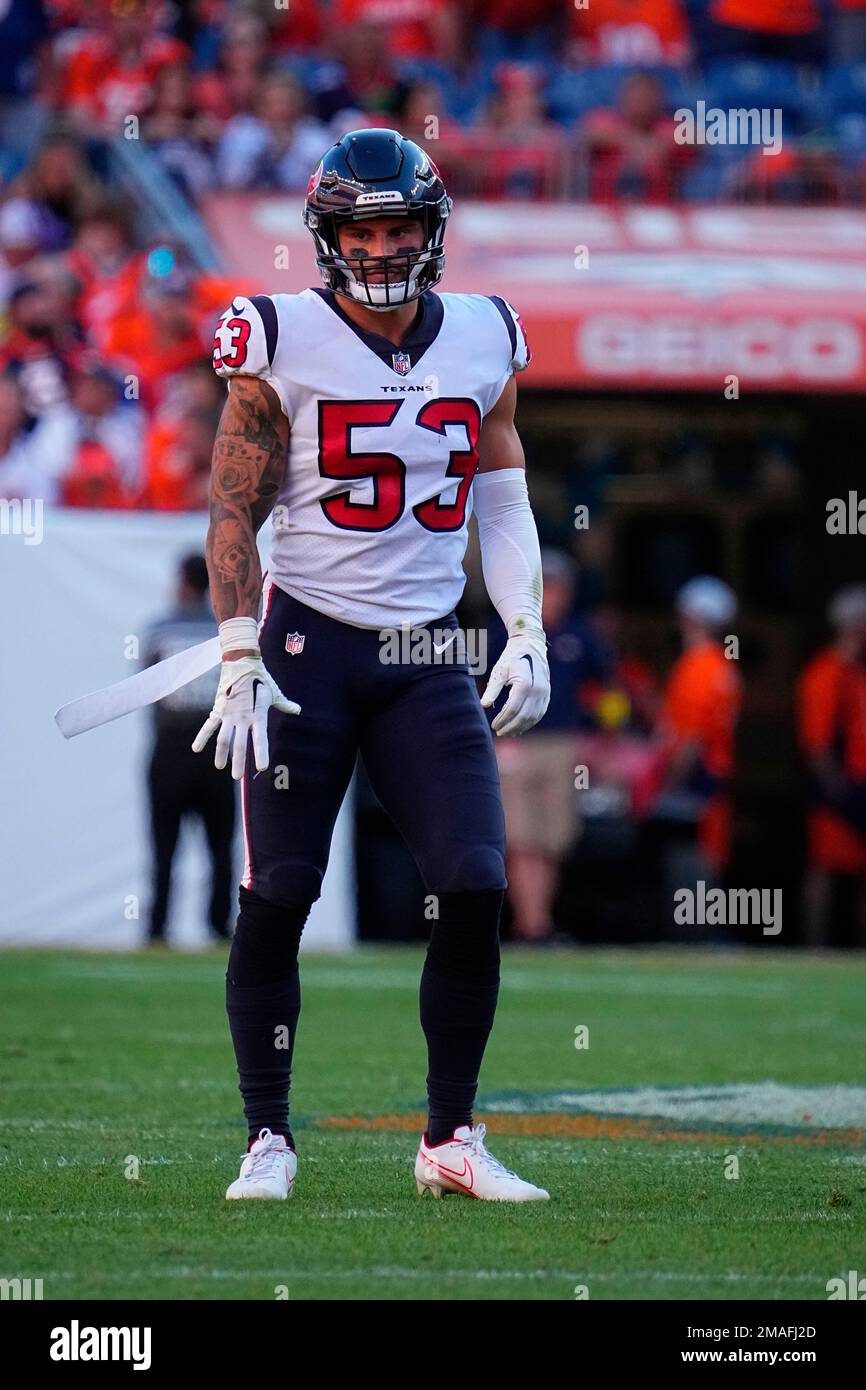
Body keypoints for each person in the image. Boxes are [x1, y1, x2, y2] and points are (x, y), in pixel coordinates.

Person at [196, 128, 551, 1203]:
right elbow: (232, 502)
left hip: (428, 647)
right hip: (307, 642)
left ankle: (449, 1137)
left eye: (400, 225)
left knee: (474, 881)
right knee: (280, 890)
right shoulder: (281, 336)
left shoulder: (487, 335)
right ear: (327, 237)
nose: (384, 245)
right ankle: (267, 1134)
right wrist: (234, 643)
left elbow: (500, 492)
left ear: (432, 229)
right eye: (364, 228)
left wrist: (524, 625)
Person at [141, 554, 234, 947]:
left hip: (171, 750)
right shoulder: (224, 631)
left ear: (182, 582)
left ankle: (158, 928)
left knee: (164, 848)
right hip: (217, 749)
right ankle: (219, 927)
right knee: (220, 848)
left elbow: (145, 690)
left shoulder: (161, 630)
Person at [796, 586, 866, 947]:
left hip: (859, 782)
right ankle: (816, 945)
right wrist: (837, 789)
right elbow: (818, 742)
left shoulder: (856, 672)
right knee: (824, 867)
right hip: (839, 786)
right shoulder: (826, 673)